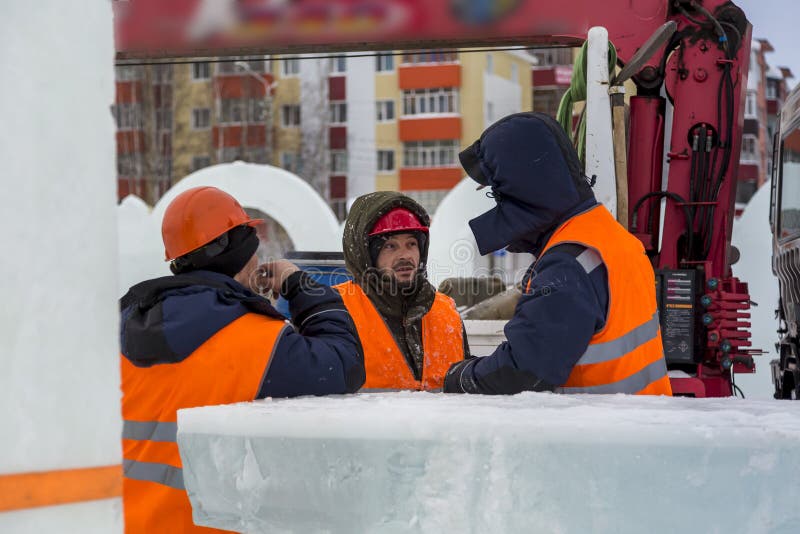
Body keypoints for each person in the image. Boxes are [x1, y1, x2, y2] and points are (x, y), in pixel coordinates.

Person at [119, 186, 365, 533]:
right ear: (240, 255)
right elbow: (344, 364)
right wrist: (300, 284)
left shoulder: (121, 329)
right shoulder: (258, 340)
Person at [443, 112, 672, 396]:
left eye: (498, 194)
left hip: (598, 432)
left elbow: (523, 372)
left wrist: (459, 376)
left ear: (524, 189)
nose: (499, 207)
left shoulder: (568, 264)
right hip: (640, 423)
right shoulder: (610, 238)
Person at [334, 192, 468, 391]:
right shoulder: (337, 309)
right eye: (390, 246)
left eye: (411, 244)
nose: (405, 255)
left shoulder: (446, 311)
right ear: (366, 253)